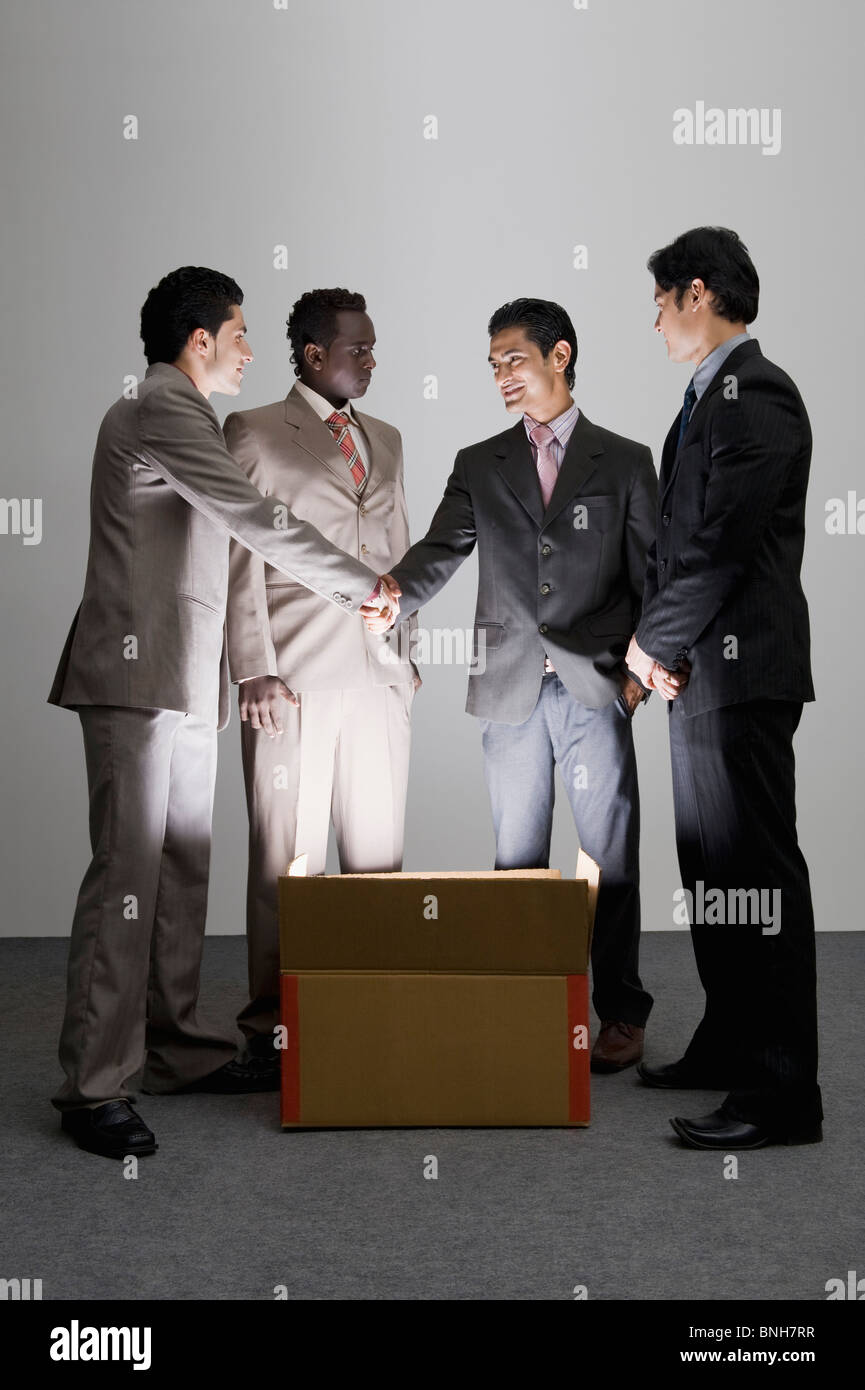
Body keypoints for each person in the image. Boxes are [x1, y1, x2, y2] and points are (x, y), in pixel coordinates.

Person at [48, 266, 398, 1159]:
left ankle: (174, 1049)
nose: (249, 349)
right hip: (135, 677)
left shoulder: (186, 412)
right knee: (129, 879)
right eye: (239, 334)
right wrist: (366, 587)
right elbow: (253, 517)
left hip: (181, 678)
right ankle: (94, 1087)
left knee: (182, 872)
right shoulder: (164, 406)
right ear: (197, 340)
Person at [371, 298, 659, 1073]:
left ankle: (621, 1013)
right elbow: (440, 548)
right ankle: (532, 1003)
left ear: (558, 355)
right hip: (506, 692)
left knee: (610, 859)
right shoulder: (479, 462)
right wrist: (396, 592)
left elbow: (650, 574)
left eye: (512, 359)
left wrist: (632, 682)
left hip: (595, 689)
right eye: (491, 363)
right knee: (518, 862)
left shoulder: (624, 460)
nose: (499, 374)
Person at [627, 226, 822, 1149]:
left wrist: (646, 644)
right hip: (702, 670)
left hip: (741, 670)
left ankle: (780, 1095)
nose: (655, 320)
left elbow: (720, 544)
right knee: (710, 873)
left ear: (696, 293)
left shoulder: (755, 392)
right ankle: (728, 1040)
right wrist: (665, 651)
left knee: (755, 881)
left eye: (660, 302)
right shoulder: (711, 396)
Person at [224, 288, 419, 1070]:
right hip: (291, 679)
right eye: (356, 349)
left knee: (377, 858)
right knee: (288, 862)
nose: (370, 361)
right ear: (312, 353)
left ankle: (371, 1008)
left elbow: (400, 556)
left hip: (377, 680)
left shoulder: (390, 439)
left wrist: (405, 656)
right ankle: (272, 1026)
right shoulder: (256, 432)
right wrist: (254, 668)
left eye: (373, 349)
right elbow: (238, 552)